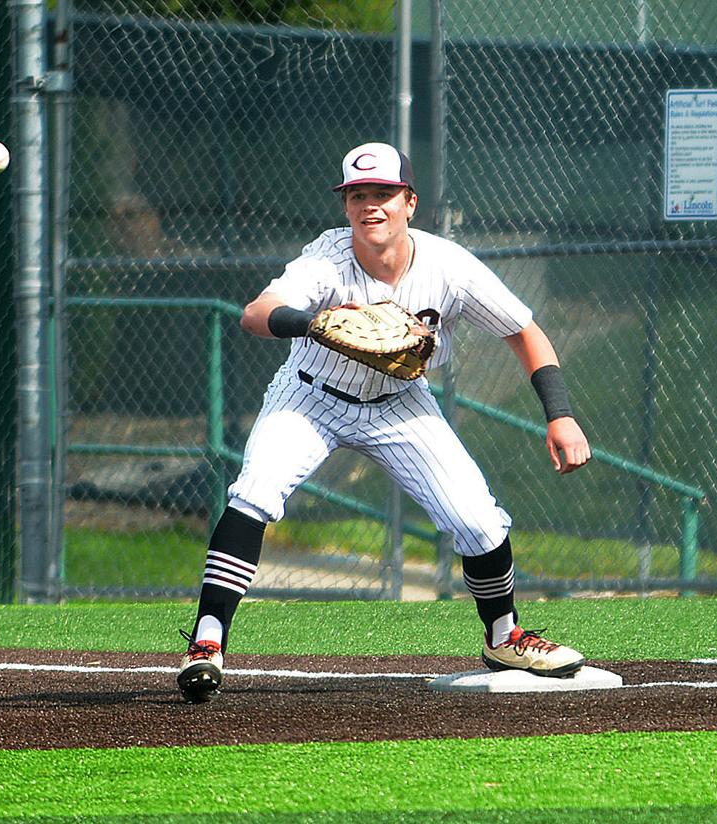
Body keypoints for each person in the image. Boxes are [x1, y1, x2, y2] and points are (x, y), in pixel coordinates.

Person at [177, 141, 592, 702]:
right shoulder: (326, 258)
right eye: (358, 196)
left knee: (479, 522)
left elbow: (524, 332)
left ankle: (503, 636)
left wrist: (560, 417)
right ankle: (207, 642)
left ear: (410, 203)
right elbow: (256, 314)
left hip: (400, 404)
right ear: (346, 205)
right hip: (309, 396)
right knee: (254, 493)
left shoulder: (448, 266)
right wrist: (314, 320)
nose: (370, 206)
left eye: (384, 195)